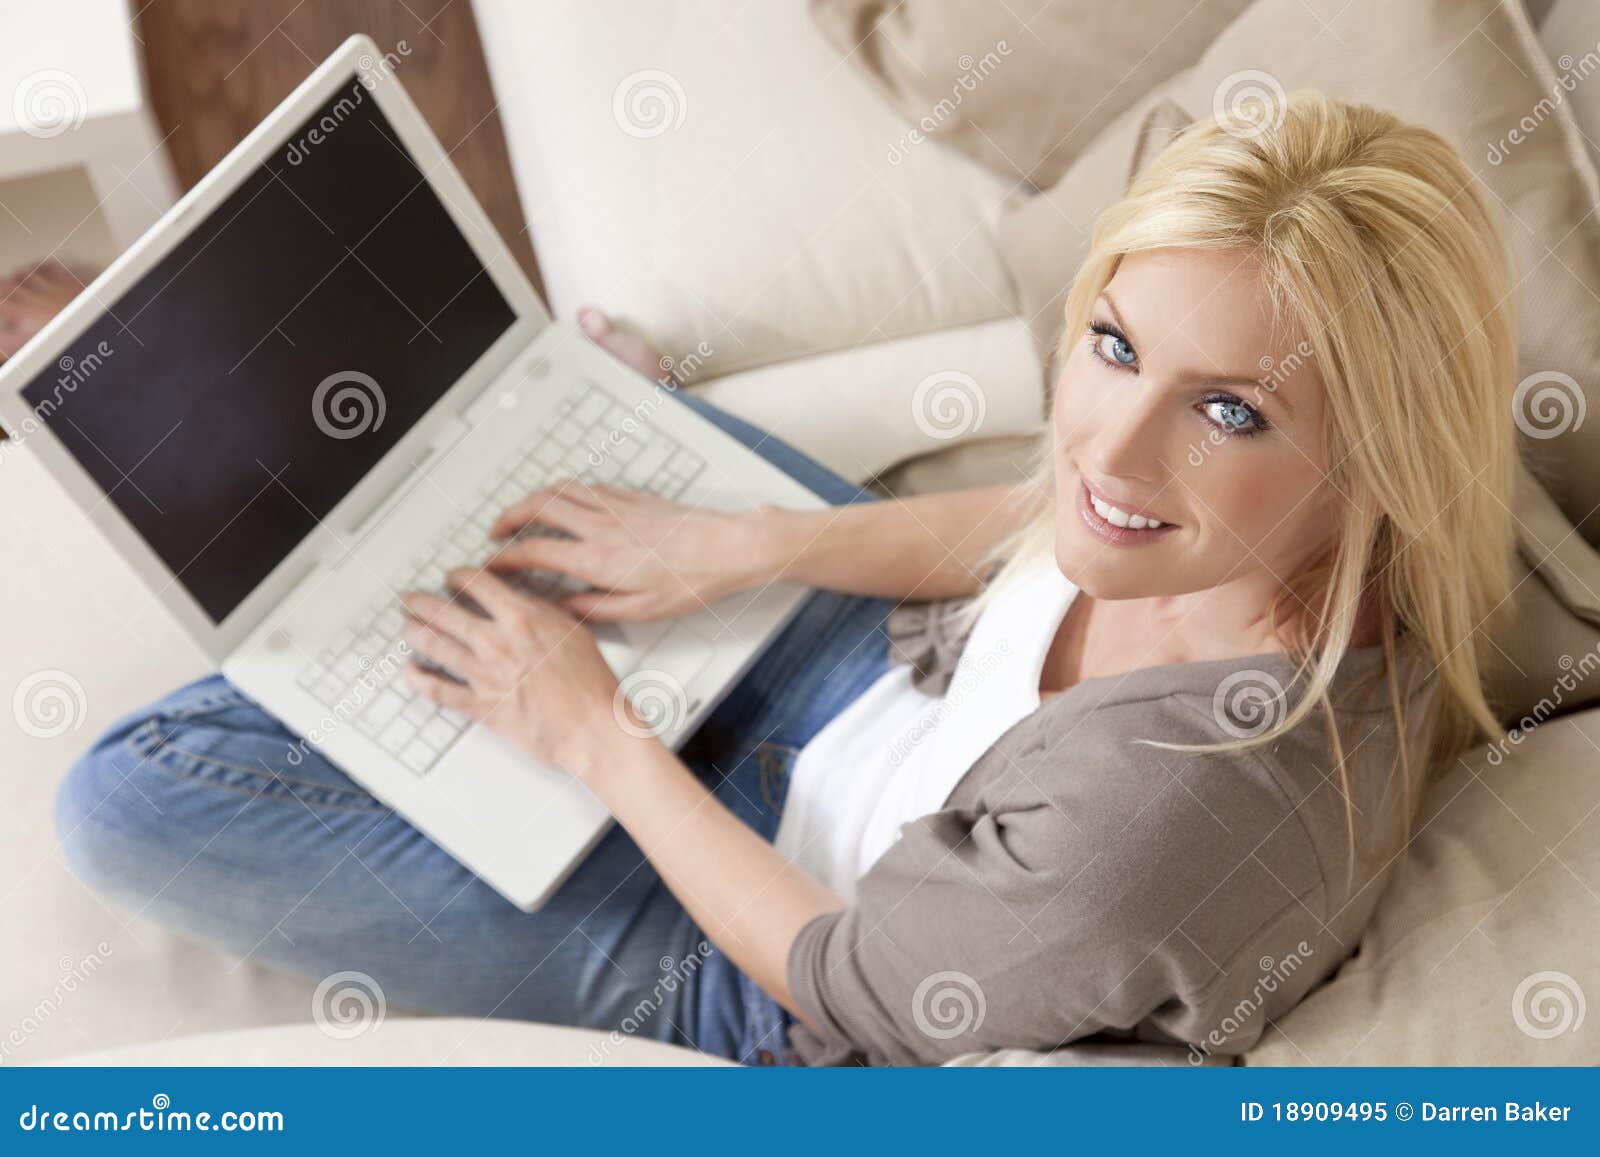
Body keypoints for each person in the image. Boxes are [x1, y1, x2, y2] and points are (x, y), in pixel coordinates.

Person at [49, 90, 1518, 1065]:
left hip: (773, 947)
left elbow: (842, 969)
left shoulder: (1159, 825)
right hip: (891, 673)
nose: (1110, 452)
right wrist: (747, 542)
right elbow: (1042, 524)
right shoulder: (1236, 530)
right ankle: (502, 435)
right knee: (519, 424)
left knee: (126, 799)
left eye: (1230, 410)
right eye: (1118, 345)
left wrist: (594, 736)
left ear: (1382, 455)